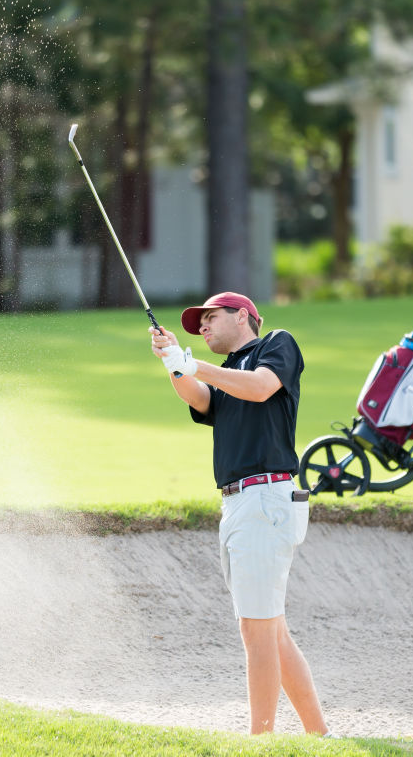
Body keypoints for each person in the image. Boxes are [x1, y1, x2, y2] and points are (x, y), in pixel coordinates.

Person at [150, 291, 330, 737]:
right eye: (198, 324)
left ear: (243, 316)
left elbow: (263, 386)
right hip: (238, 505)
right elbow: (199, 398)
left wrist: (195, 364)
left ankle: (260, 740)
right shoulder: (227, 374)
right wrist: (174, 361)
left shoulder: (277, 344)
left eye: (210, 317)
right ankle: (320, 736)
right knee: (272, 632)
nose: (203, 327)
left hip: (266, 498)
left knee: (257, 632)